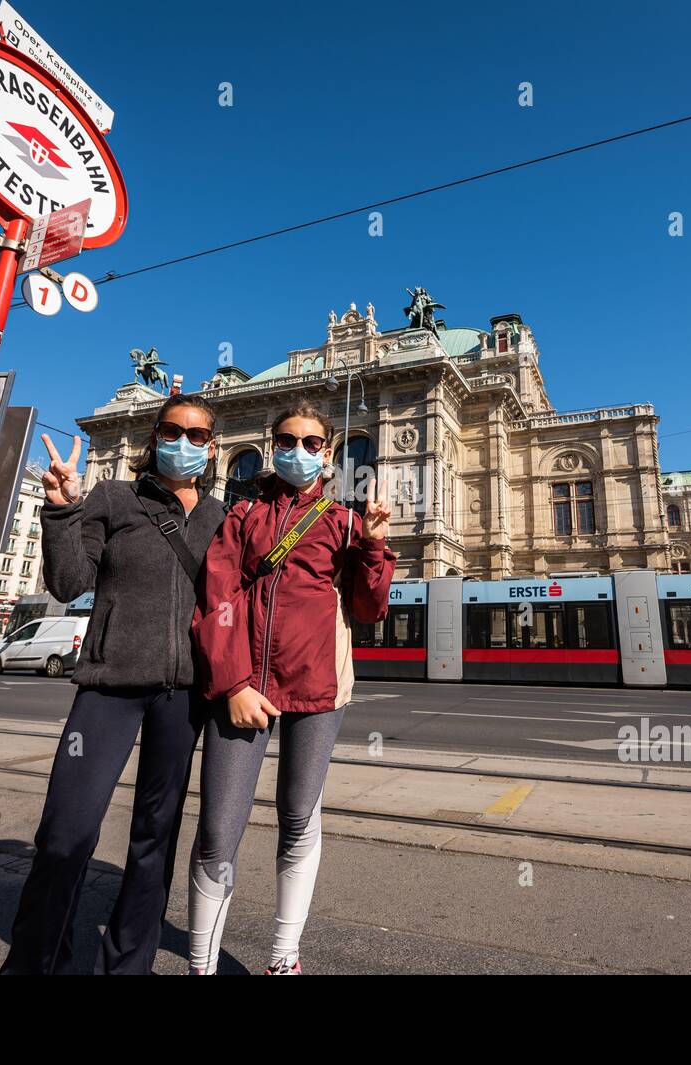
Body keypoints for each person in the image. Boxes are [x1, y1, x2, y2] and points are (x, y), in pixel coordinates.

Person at [0, 394, 226, 975]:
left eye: (198, 435)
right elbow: (69, 580)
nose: (185, 442)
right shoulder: (114, 497)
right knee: (65, 833)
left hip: (183, 695)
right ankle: (34, 964)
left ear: (212, 445)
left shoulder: (220, 517)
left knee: (156, 839)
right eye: (173, 431)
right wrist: (59, 512)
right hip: (109, 686)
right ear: (154, 437)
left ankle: (128, 966)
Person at [188, 402, 394, 975]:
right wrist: (231, 682)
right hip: (244, 688)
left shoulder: (347, 522)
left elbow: (368, 609)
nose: (297, 452)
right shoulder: (243, 517)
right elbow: (216, 602)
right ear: (272, 446)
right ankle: (201, 965)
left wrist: (375, 547)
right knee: (217, 830)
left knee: (299, 816)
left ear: (326, 454)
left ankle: (284, 957)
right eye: (286, 441)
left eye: (310, 443)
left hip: (319, 686)